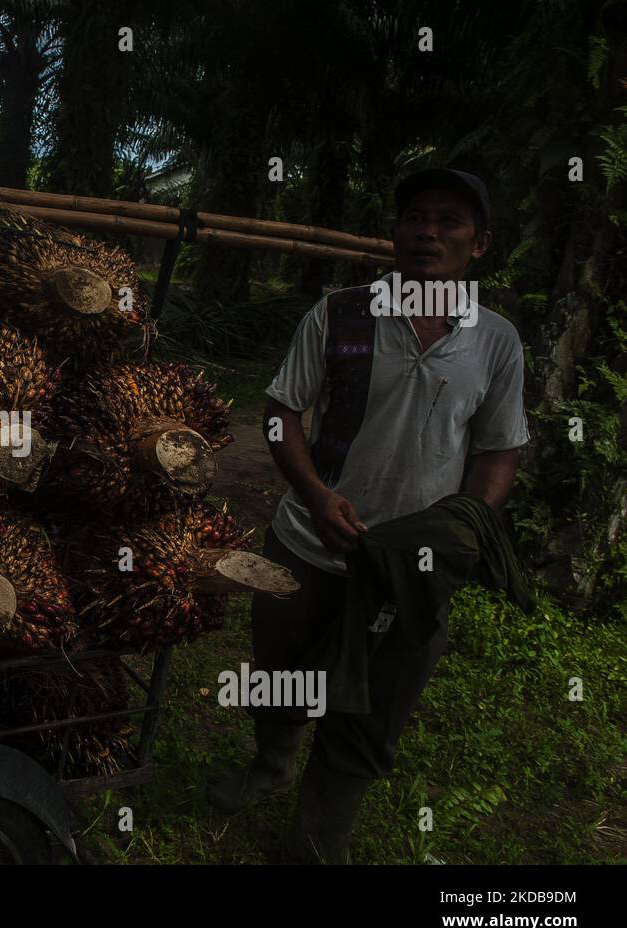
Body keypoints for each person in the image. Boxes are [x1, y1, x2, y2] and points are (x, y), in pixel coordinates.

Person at [206, 169, 530, 862]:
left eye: (449, 220)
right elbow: (280, 415)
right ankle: (270, 765)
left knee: (375, 702)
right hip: (307, 543)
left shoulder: (496, 340)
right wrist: (316, 495)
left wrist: (462, 524)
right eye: (415, 216)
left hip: (411, 570)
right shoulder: (339, 314)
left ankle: (319, 838)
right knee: (283, 668)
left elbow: (500, 447)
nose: (428, 231)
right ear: (394, 232)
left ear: (480, 243)